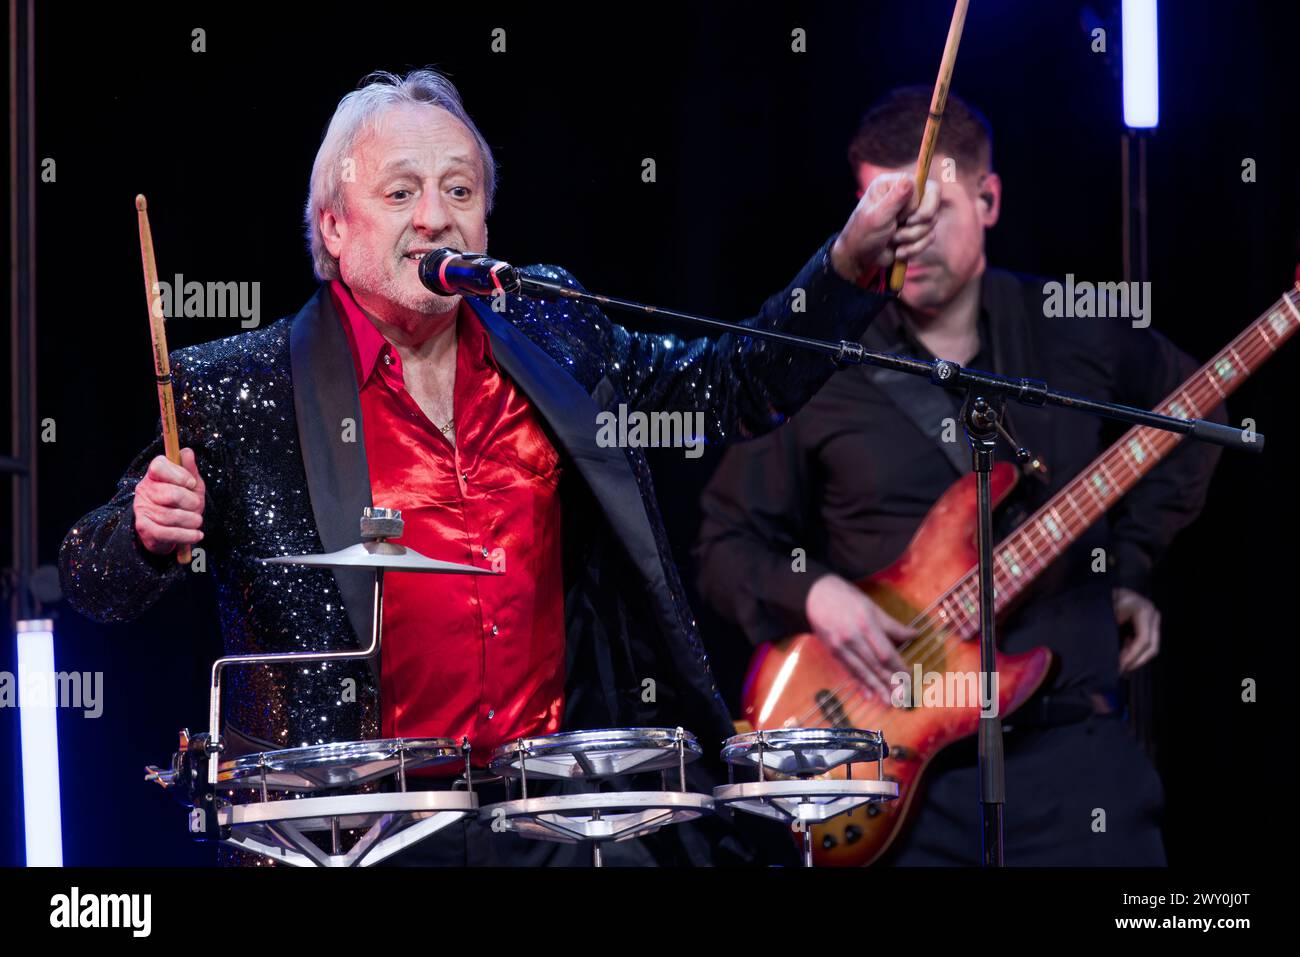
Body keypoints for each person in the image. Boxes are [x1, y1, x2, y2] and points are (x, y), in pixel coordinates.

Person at [58, 69, 938, 865]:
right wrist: (141, 530)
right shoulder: (243, 386)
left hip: (549, 809)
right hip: (357, 829)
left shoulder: (550, 322)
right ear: (333, 226)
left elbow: (725, 386)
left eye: (459, 191)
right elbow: (90, 578)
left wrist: (847, 269)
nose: (435, 216)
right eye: (401, 192)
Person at [693, 87, 1224, 865]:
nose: (910, 235)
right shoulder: (821, 364)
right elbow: (723, 541)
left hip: (1071, 753)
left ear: (989, 199)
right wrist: (816, 593)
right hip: (895, 771)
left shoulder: (1077, 324)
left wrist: (1130, 565)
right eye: (888, 208)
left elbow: (1194, 427)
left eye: (934, 208)